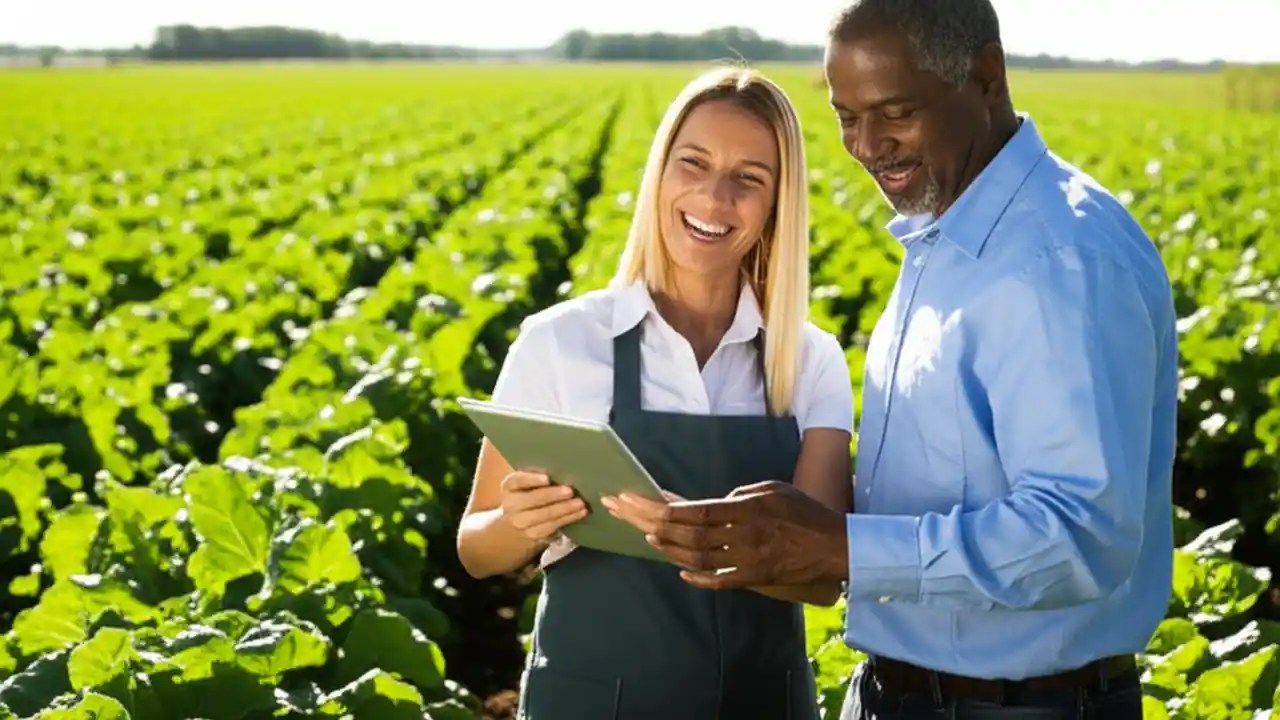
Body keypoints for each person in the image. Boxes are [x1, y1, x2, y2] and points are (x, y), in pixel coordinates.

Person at [620, 2, 1179, 718]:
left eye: (895, 112)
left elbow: (1079, 534)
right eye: (846, 116)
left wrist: (840, 547)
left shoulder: (1056, 259)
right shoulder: (950, 231)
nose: (867, 144)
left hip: (1018, 705)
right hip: (908, 692)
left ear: (986, 77)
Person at [455, 66, 856, 720]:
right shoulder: (559, 342)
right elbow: (476, 549)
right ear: (659, 173)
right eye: (692, 163)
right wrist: (520, 523)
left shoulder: (810, 360)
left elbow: (822, 580)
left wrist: (709, 540)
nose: (713, 197)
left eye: (749, 179)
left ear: (779, 202)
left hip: (759, 705)